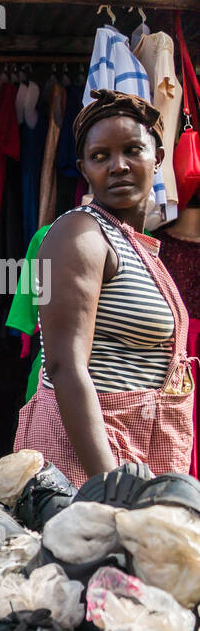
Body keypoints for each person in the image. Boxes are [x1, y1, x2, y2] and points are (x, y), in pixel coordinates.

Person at [15, 89, 193, 486]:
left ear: (157, 158)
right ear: (84, 169)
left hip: (132, 451)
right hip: (90, 461)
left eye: (133, 150)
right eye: (101, 157)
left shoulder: (130, 240)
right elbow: (64, 365)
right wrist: (109, 483)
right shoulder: (79, 233)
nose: (119, 166)